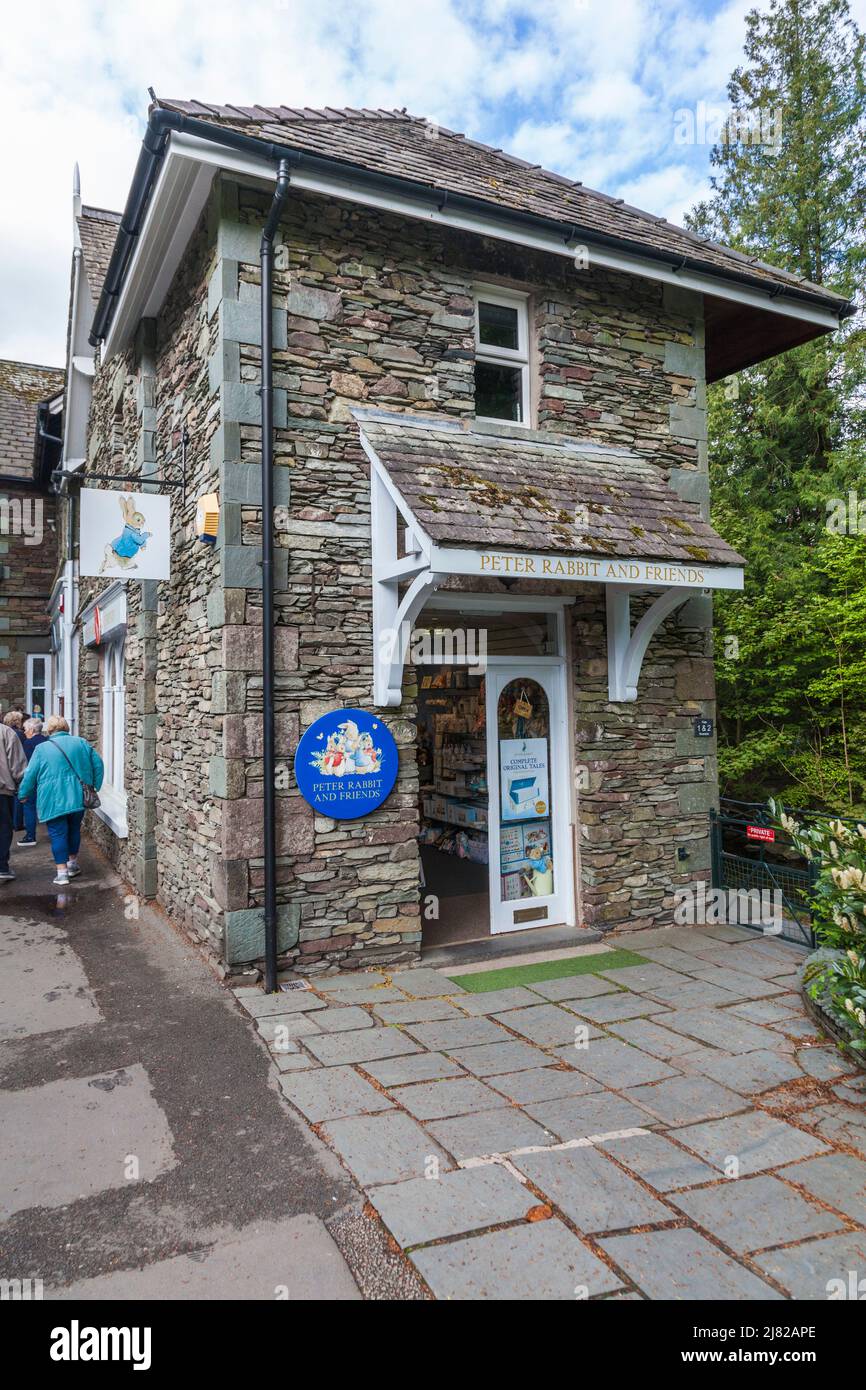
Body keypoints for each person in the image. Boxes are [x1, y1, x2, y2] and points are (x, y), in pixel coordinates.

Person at [18, 715, 104, 886]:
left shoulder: (42, 749)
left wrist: (23, 793)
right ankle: (72, 864)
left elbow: (30, 774)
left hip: (52, 799)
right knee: (73, 830)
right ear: (66, 728)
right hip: (78, 797)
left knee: (57, 833)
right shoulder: (81, 743)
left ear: (49, 730)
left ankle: (62, 873)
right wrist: (94, 786)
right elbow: (98, 765)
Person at [0, 718, 27, 882]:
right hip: (2, 790)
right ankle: (2, 867)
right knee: (3, 828)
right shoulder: (6, 732)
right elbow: (17, 765)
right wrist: (21, 785)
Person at [16, 718, 49, 847]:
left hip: (33, 780)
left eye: (25, 729)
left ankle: (30, 836)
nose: (24, 732)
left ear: (31, 730)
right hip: (46, 779)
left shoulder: (28, 744)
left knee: (29, 806)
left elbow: (27, 766)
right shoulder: (47, 741)